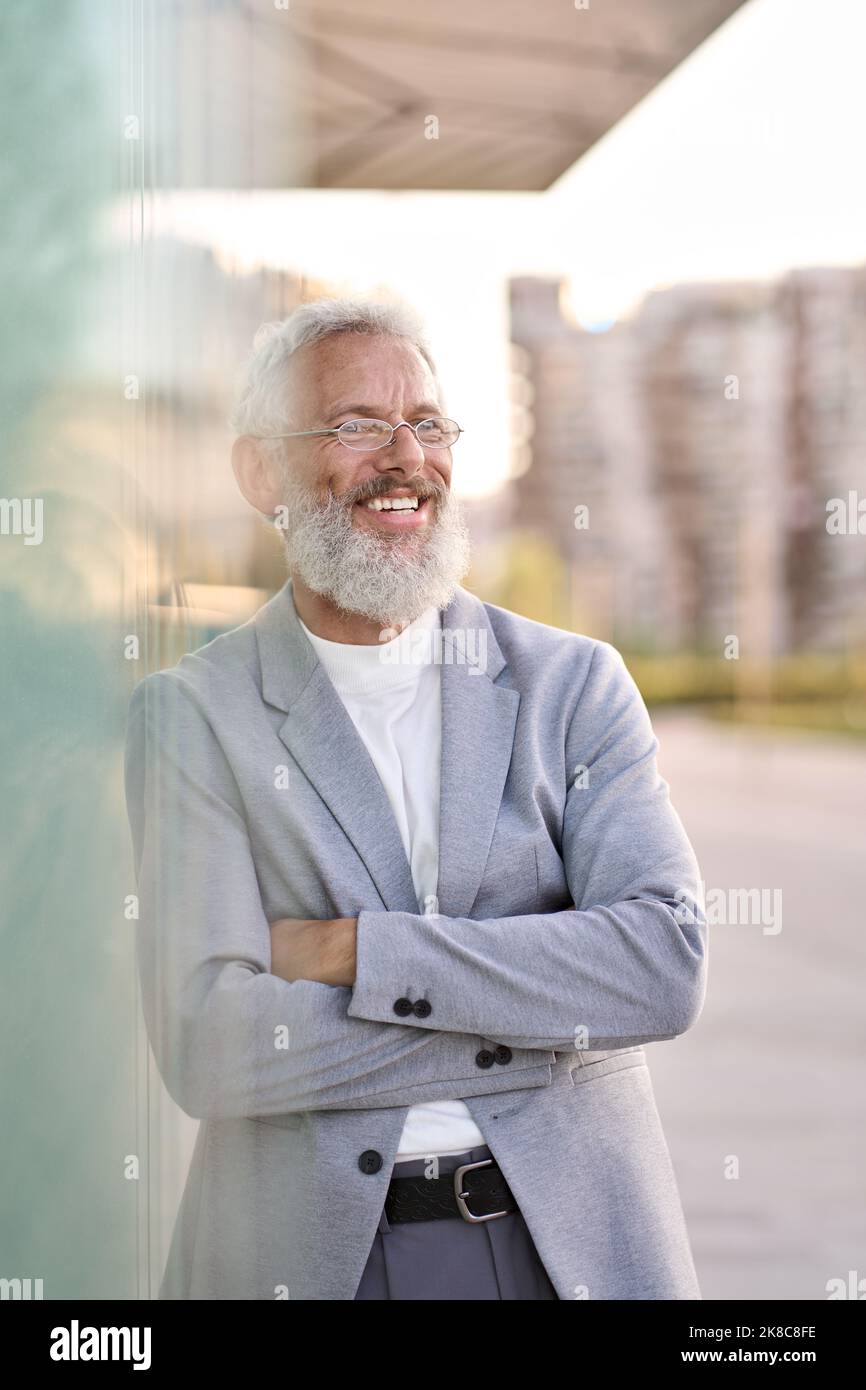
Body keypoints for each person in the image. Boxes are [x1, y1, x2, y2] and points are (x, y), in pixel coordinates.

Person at [124, 296, 708, 1300]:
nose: (405, 457)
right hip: (315, 1265)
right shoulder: (194, 717)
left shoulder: (573, 686)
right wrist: (540, 1030)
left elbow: (658, 967)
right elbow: (211, 1048)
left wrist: (355, 951)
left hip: (569, 1255)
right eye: (355, 425)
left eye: (427, 423)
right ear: (261, 471)